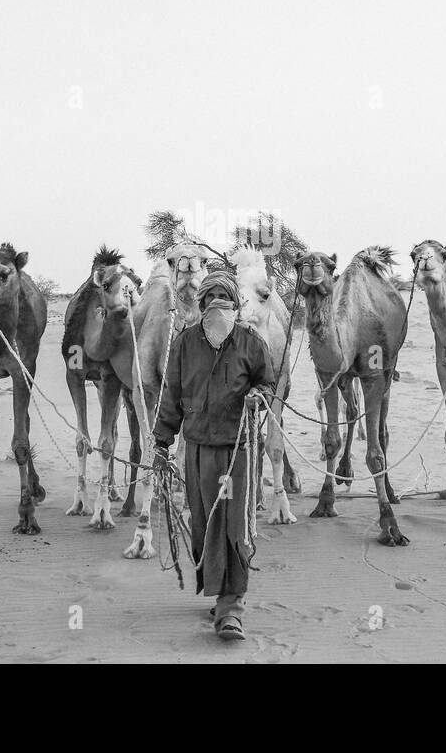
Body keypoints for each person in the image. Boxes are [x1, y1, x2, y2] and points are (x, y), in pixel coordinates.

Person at [152, 269, 275, 641]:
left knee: (232, 526)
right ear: (201, 305)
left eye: (225, 299)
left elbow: (266, 382)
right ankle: (219, 590)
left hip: (237, 451)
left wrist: (259, 398)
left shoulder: (251, 342)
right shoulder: (185, 343)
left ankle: (231, 608)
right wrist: (161, 442)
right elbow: (171, 394)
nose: (218, 306)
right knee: (205, 524)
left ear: (236, 305)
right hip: (197, 450)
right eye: (211, 300)